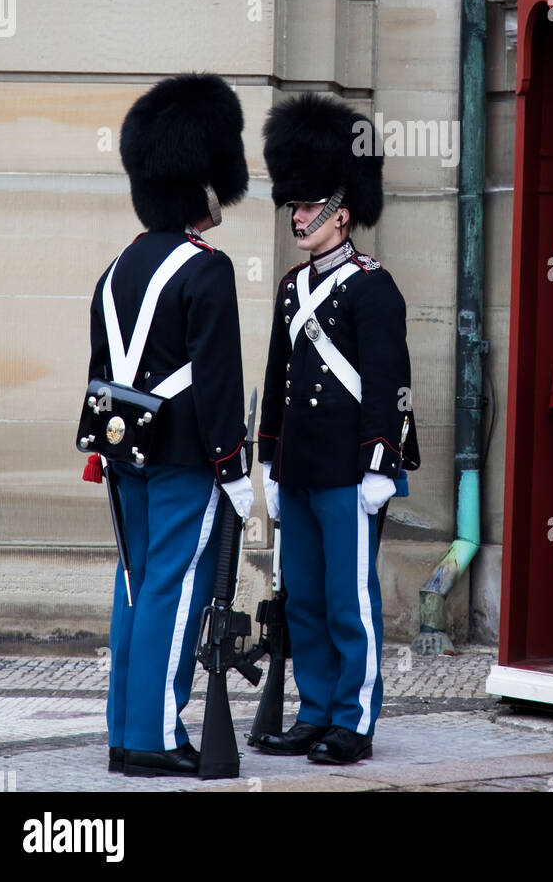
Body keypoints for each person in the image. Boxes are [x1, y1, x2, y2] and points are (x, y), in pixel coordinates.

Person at [83, 73, 253, 778]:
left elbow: (102, 368)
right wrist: (234, 468)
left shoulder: (114, 269)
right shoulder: (205, 270)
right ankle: (154, 738)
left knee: (134, 582)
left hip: (124, 452)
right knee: (173, 588)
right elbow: (218, 384)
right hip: (186, 455)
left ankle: (125, 732)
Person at [254, 92, 418, 765]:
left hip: (349, 473)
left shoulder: (373, 287)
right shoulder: (293, 287)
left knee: (351, 604)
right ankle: (315, 709)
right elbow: (277, 375)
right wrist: (268, 460)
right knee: (306, 600)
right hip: (299, 469)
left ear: (341, 212)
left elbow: (391, 383)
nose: (297, 215)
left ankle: (354, 718)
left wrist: (382, 464)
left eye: (308, 205)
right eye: (294, 205)